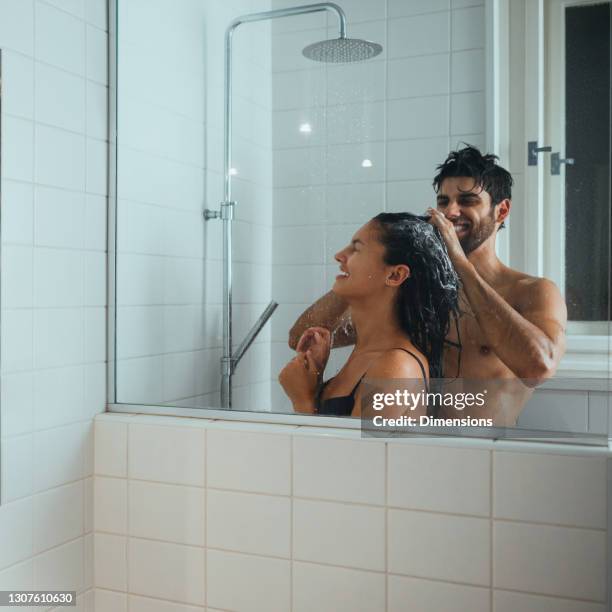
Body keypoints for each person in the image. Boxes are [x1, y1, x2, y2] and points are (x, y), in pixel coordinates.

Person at [288, 146, 567, 425]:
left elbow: (539, 368)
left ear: (501, 210)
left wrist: (459, 262)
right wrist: (362, 267)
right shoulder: (421, 291)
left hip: (487, 454)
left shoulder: (532, 291)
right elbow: (302, 336)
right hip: (422, 449)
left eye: (467, 200)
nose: (451, 211)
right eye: (443, 201)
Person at [278, 213, 460, 417]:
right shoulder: (368, 354)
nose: (339, 255)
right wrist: (315, 379)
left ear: (394, 275)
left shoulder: (396, 367)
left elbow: (349, 450)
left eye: (356, 248)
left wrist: (303, 399)